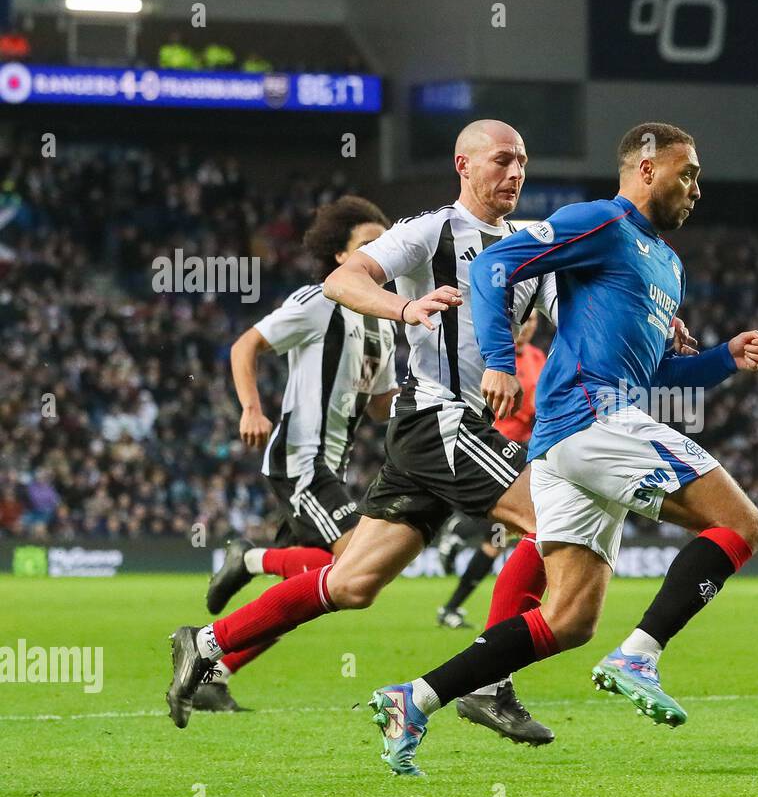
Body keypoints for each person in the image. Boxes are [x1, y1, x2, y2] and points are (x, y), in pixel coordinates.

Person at [367, 122, 758, 776]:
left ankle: (412, 700)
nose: (696, 187)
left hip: (571, 443)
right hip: (590, 420)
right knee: (742, 524)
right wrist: (500, 360)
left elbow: (656, 376)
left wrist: (726, 358)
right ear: (646, 169)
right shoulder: (601, 223)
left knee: (569, 619)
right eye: (687, 171)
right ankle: (640, 653)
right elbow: (497, 265)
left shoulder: (667, 264)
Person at [166, 120, 558, 745]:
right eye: (502, 161)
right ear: (463, 164)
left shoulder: (534, 247)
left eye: (523, 162)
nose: (515, 173)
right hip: (440, 420)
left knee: (351, 583)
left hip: (425, 429)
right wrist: (407, 306)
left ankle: (208, 642)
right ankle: (488, 682)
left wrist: (656, 327)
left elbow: (576, 314)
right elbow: (342, 281)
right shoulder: (428, 232)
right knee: (553, 518)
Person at [197, 196, 398, 712]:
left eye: (385, 243)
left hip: (334, 466)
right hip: (300, 460)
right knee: (355, 559)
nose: (381, 253)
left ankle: (211, 673)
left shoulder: (385, 321)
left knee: (307, 591)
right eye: (367, 244)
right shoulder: (319, 301)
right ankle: (248, 557)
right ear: (339, 257)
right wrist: (251, 409)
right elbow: (246, 346)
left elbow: (379, 408)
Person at [436, 311, 546, 629]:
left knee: (497, 540)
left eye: (535, 324)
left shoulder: (537, 356)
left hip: (523, 452)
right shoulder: (494, 354)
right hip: (492, 446)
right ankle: (459, 530)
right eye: (525, 321)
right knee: (514, 528)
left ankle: (451, 607)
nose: (528, 329)